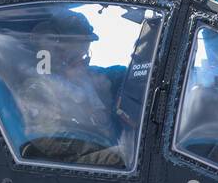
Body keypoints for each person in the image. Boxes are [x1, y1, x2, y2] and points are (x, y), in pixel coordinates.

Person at [11, 9, 129, 167]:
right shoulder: (37, 88)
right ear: (55, 53)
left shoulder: (87, 79)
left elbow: (114, 76)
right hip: (67, 161)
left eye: (85, 57)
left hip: (92, 148)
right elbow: (50, 141)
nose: (82, 65)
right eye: (74, 58)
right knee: (130, 157)